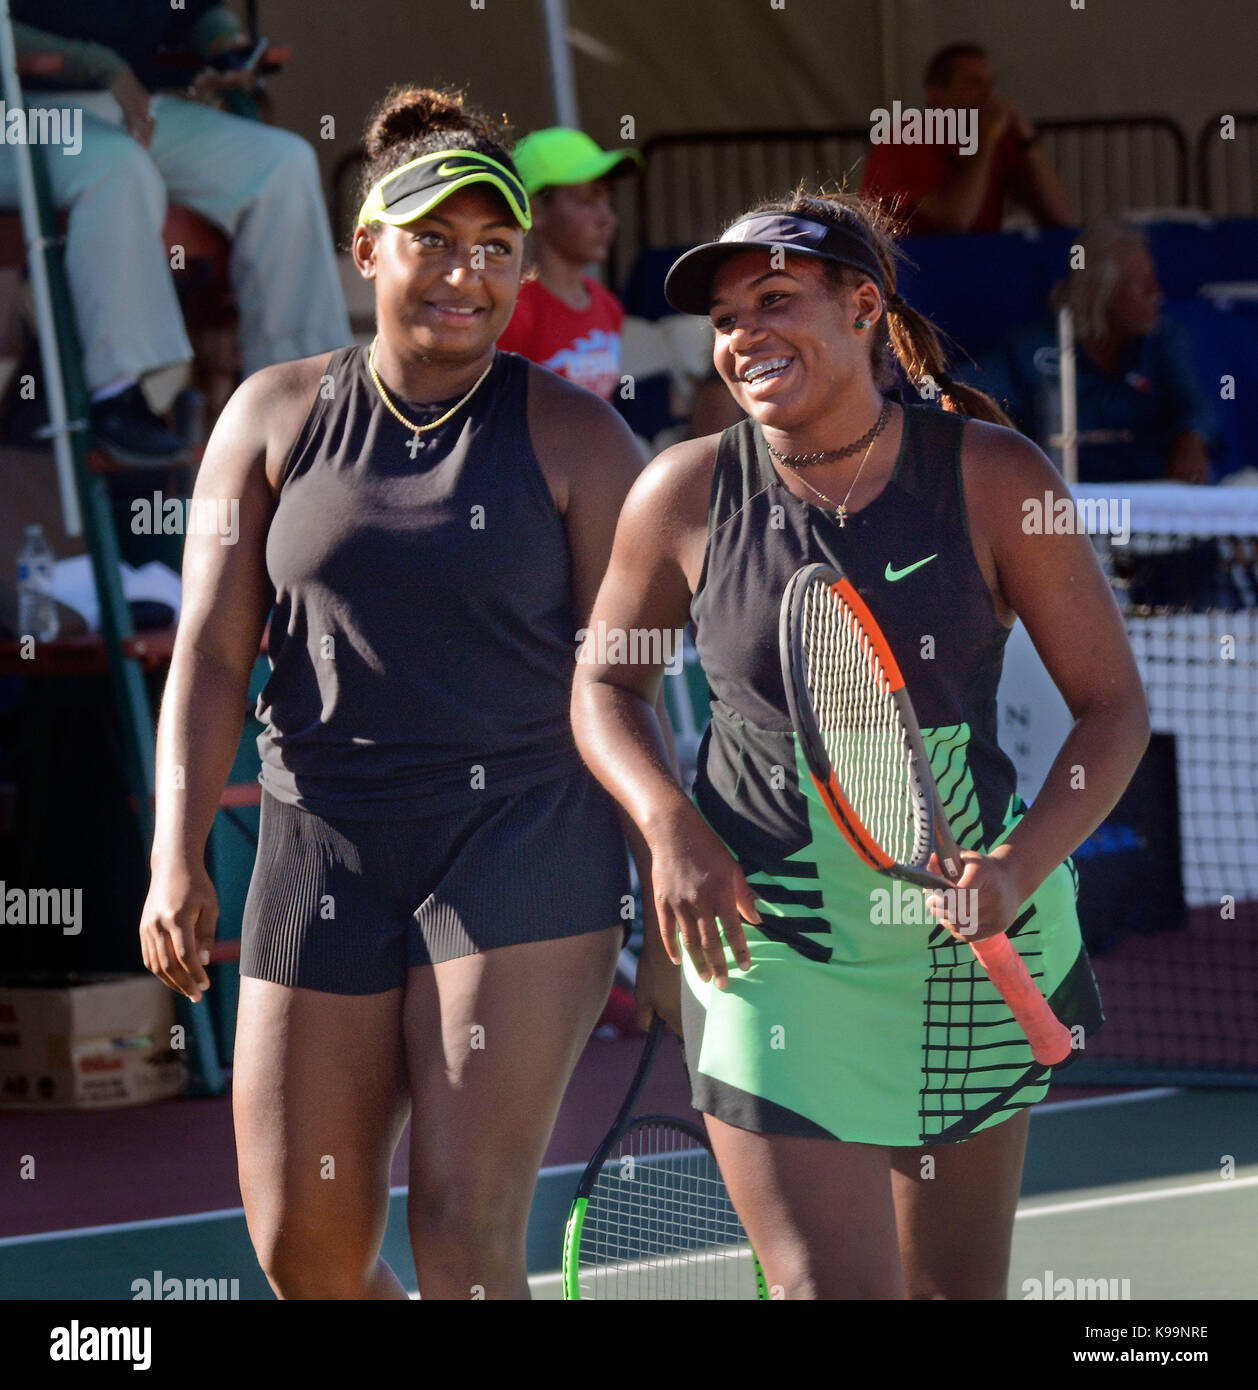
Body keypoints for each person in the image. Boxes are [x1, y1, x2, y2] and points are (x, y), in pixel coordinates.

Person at [571, 190, 1150, 1299]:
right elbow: (606, 681)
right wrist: (668, 826)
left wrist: (1020, 866)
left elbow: (1110, 704)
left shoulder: (993, 476)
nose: (744, 335)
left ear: (864, 307)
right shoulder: (680, 493)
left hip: (970, 948)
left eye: (775, 301)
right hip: (770, 941)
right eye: (726, 318)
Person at [139, 86, 663, 1300]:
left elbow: (632, 680)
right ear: (368, 245)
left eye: (495, 250)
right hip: (319, 840)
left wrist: (668, 847)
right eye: (433, 241)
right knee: (304, 1253)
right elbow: (213, 655)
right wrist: (176, 853)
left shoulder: (580, 439)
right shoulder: (269, 415)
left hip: (523, 840)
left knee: (462, 1236)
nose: (464, 275)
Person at [5, 2, 350, 463]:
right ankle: (117, 396)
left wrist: (225, 44)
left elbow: (194, 11)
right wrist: (97, 64)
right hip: (20, 112)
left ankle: (303, 395)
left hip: (132, 105)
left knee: (284, 165)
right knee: (118, 168)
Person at [957, 221, 1219, 483]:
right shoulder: (1034, 347)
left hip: (1151, 490)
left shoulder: (1162, 338)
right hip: (1063, 493)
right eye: (1142, 284)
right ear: (1101, 290)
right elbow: (963, 395)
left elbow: (1195, 404)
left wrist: (1192, 439)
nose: (1157, 294)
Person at [861, 43, 1073, 235]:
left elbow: (1060, 216)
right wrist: (987, 139)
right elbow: (954, 221)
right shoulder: (902, 143)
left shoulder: (994, 140)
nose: (989, 95)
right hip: (909, 265)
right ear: (937, 94)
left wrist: (1027, 137)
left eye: (991, 84)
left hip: (977, 264)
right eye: (974, 84)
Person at [495, 127, 641, 400]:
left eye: (606, 199)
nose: (607, 218)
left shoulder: (609, 307)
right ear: (535, 211)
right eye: (587, 200)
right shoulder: (511, 312)